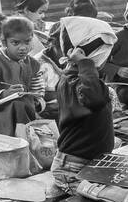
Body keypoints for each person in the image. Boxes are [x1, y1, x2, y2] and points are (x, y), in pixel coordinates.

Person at [50, 18, 118, 192]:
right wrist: (85, 63)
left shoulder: (84, 79)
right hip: (72, 169)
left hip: (91, 163)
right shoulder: (72, 81)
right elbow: (94, 99)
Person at [0, 16, 45, 136]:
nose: (23, 47)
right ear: (4, 43)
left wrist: (37, 102)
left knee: (23, 104)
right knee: (17, 104)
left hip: (26, 111)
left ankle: (26, 136)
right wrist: (5, 94)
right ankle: (23, 137)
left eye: (27, 41)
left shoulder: (34, 64)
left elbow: (39, 93)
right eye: (15, 43)